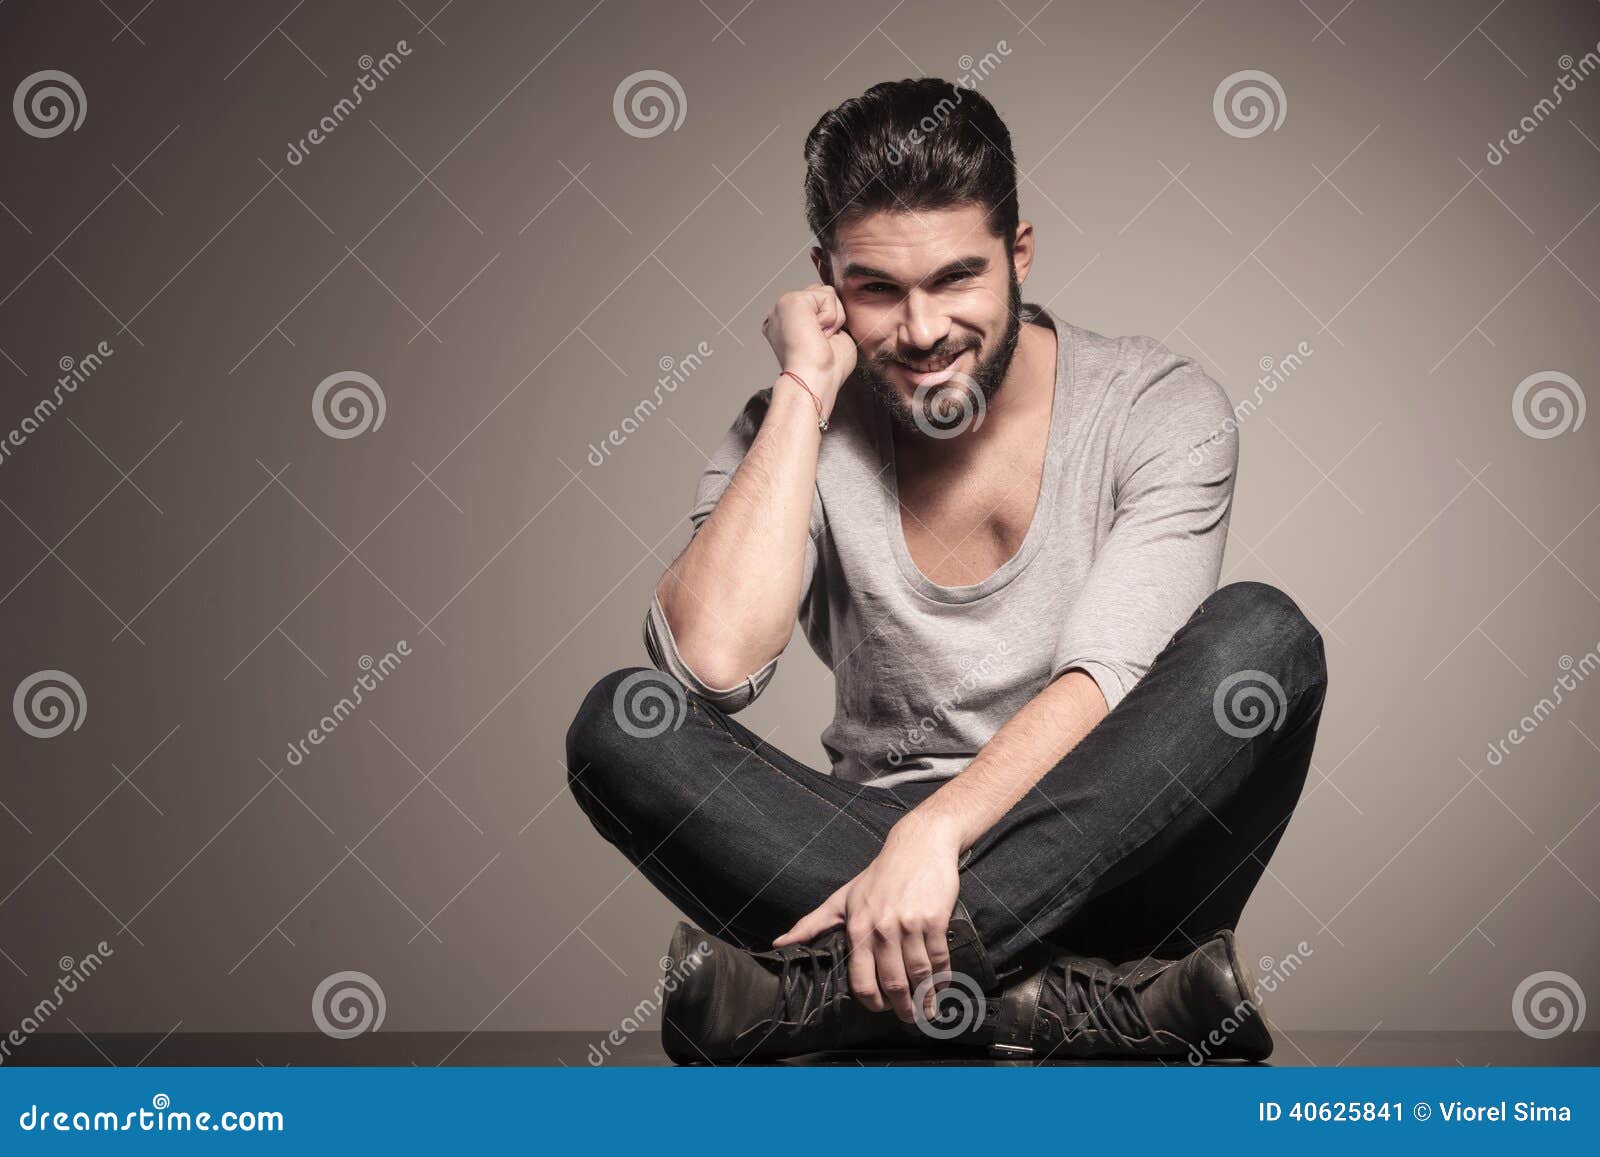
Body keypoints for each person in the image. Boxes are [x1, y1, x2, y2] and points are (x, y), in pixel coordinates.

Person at [565, 78, 1327, 1064]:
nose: (921, 331)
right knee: (619, 722)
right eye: (877, 288)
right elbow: (709, 664)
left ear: (1018, 253)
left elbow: (1106, 679)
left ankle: (830, 995)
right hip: (869, 858)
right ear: (826, 282)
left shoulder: (1158, 407)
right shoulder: (790, 433)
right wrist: (802, 386)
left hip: (1118, 868)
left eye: (956, 279)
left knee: (1262, 638)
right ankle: (1058, 1007)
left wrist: (937, 835)